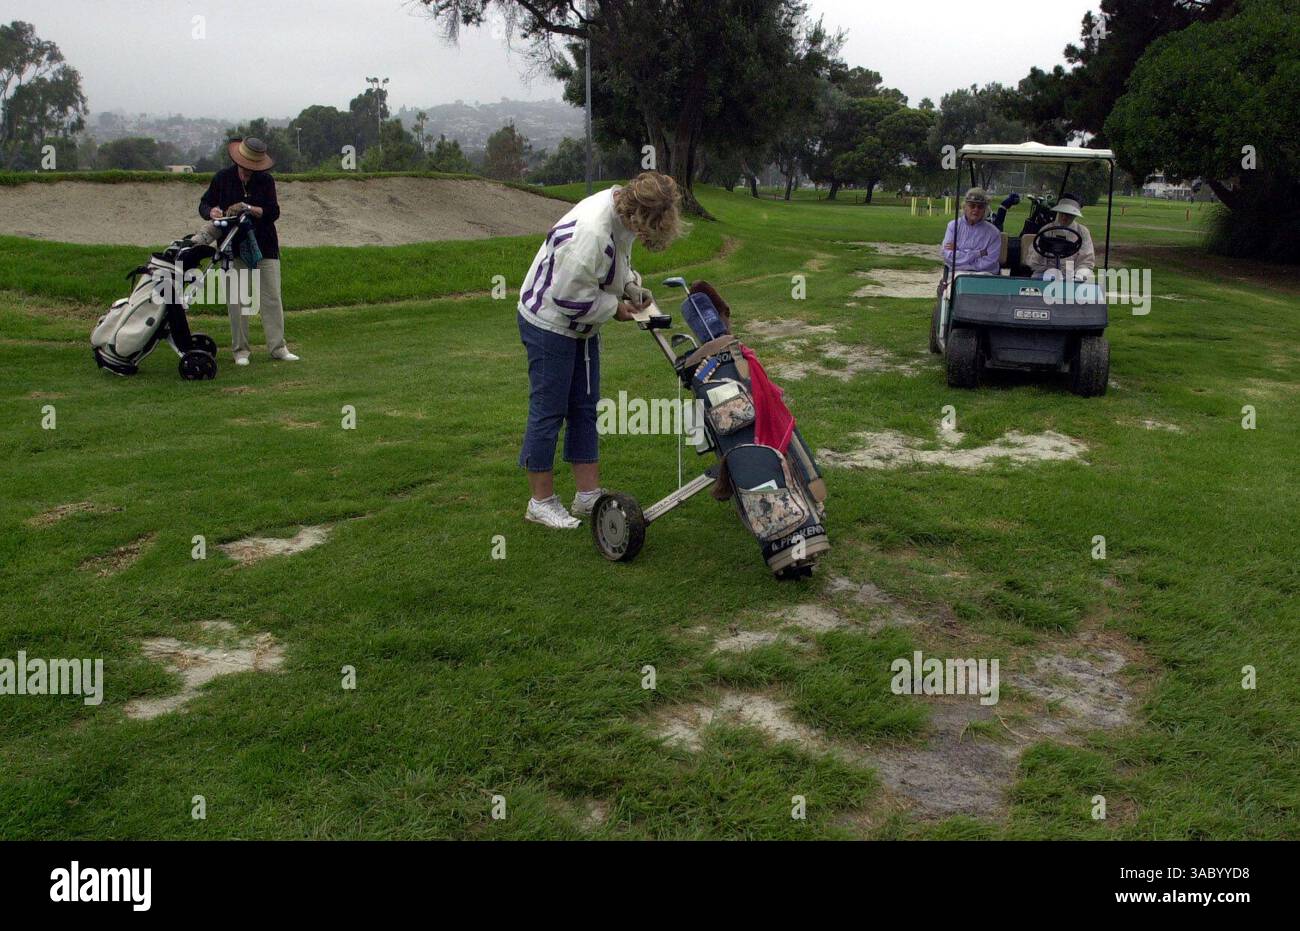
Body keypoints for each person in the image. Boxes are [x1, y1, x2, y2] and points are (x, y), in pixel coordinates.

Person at [517, 171, 682, 529]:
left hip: (581, 324)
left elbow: (615, 263)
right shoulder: (591, 233)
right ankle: (540, 502)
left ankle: (587, 495)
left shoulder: (622, 215)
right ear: (639, 213)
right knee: (549, 410)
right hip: (549, 320)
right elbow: (567, 297)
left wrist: (631, 288)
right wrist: (617, 310)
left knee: (584, 406)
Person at [197, 137, 298, 366]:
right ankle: (241, 351)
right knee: (237, 300)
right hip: (232, 246)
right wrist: (211, 211)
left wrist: (250, 209)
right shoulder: (222, 178)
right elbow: (204, 204)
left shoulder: (265, 181)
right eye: (246, 165)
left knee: (271, 297)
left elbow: (273, 212)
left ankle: (278, 347)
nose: (249, 171)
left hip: (264, 246)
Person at [937, 187, 1002, 297]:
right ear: (965, 207)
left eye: (980, 207)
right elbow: (948, 256)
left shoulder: (994, 232)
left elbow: (990, 261)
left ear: (985, 209)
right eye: (972, 206)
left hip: (984, 275)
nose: (976, 210)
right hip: (957, 274)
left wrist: (960, 251)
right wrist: (978, 253)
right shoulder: (953, 226)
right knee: (951, 293)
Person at [1025, 195, 1095, 280]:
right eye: (1062, 213)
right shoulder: (1046, 230)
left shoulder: (1083, 232)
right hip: (1045, 272)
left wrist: (1077, 276)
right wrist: (1042, 251)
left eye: (1069, 214)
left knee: (1085, 277)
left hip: (1071, 274)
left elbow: (1086, 260)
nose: (1064, 217)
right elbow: (1033, 260)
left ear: (1075, 215)